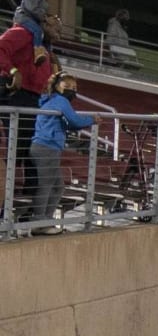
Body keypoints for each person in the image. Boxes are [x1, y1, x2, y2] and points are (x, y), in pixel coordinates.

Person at [0, 16, 56, 217]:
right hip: (19, 98)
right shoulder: (23, 33)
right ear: (43, 23)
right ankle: (5, 208)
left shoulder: (45, 48)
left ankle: (28, 211)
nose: (58, 32)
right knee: (16, 152)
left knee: (32, 155)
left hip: (35, 102)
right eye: (54, 26)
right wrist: (13, 70)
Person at [29, 72, 96, 234]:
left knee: (58, 187)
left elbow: (67, 124)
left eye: (74, 88)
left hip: (45, 147)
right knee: (47, 185)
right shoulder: (60, 101)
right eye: (68, 86)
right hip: (47, 147)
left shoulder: (52, 100)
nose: (72, 90)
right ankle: (39, 223)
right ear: (58, 86)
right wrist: (92, 120)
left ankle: (46, 220)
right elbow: (75, 120)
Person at [12, 0, 55, 65]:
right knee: (37, 31)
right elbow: (31, 7)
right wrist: (45, 18)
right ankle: (37, 51)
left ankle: (48, 54)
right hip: (24, 17)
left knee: (45, 35)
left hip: (32, 19)